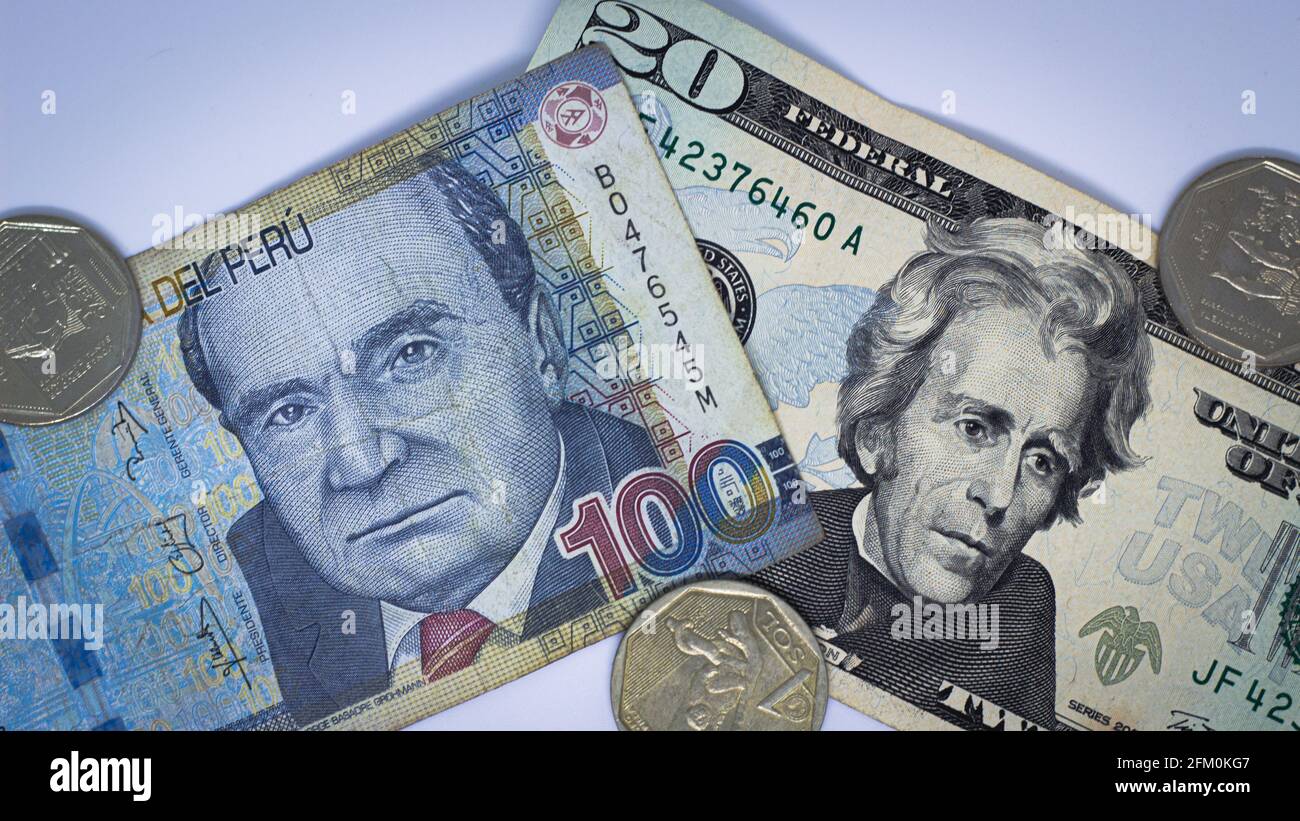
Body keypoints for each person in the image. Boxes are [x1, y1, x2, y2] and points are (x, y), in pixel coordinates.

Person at [179, 156, 658, 724]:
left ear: (540, 345)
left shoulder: (679, 503)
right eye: (290, 412)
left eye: (412, 354)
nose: (361, 462)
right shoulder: (270, 611)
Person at [753, 217, 1153, 729]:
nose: (999, 494)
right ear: (878, 433)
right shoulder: (768, 548)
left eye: (1041, 461)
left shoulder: (1019, 610)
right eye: (974, 427)